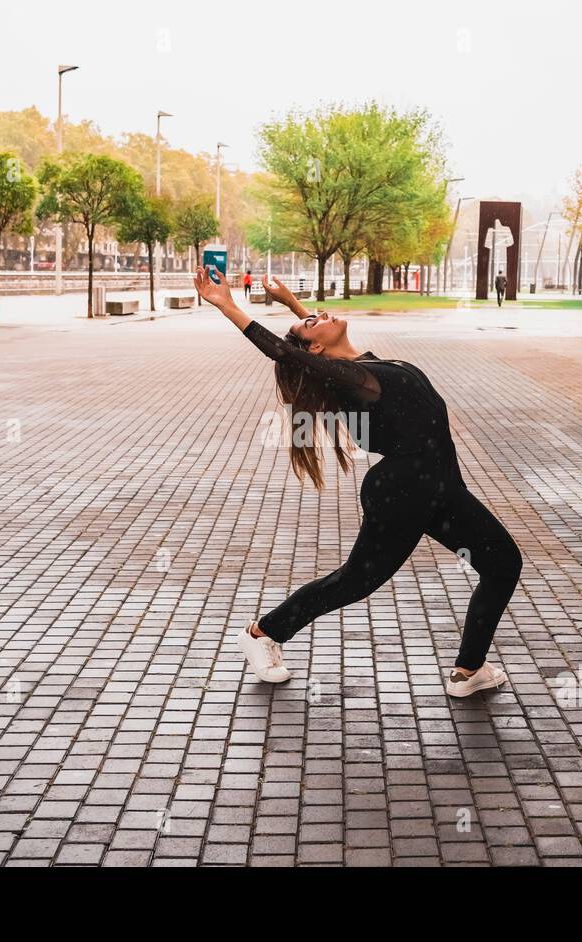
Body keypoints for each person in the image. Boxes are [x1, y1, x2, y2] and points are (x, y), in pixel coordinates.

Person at [192, 267, 523, 698]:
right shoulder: (351, 381)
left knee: (502, 564)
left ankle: (468, 670)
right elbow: (289, 353)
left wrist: (294, 306)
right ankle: (261, 633)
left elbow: (312, 345)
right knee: (357, 580)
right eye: (313, 322)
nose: (320, 315)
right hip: (404, 492)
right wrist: (229, 306)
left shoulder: (360, 366)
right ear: (316, 346)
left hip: (439, 487)